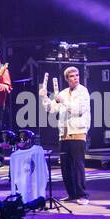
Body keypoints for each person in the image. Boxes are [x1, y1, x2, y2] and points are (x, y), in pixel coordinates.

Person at [40, 65, 91, 205]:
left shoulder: (83, 92)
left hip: (78, 132)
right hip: (64, 134)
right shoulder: (63, 92)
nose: (75, 78)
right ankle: (72, 194)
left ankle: (83, 195)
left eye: (77, 75)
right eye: (72, 76)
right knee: (66, 166)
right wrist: (44, 97)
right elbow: (51, 109)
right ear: (67, 79)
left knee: (78, 165)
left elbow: (78, 110)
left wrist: (63, 101)